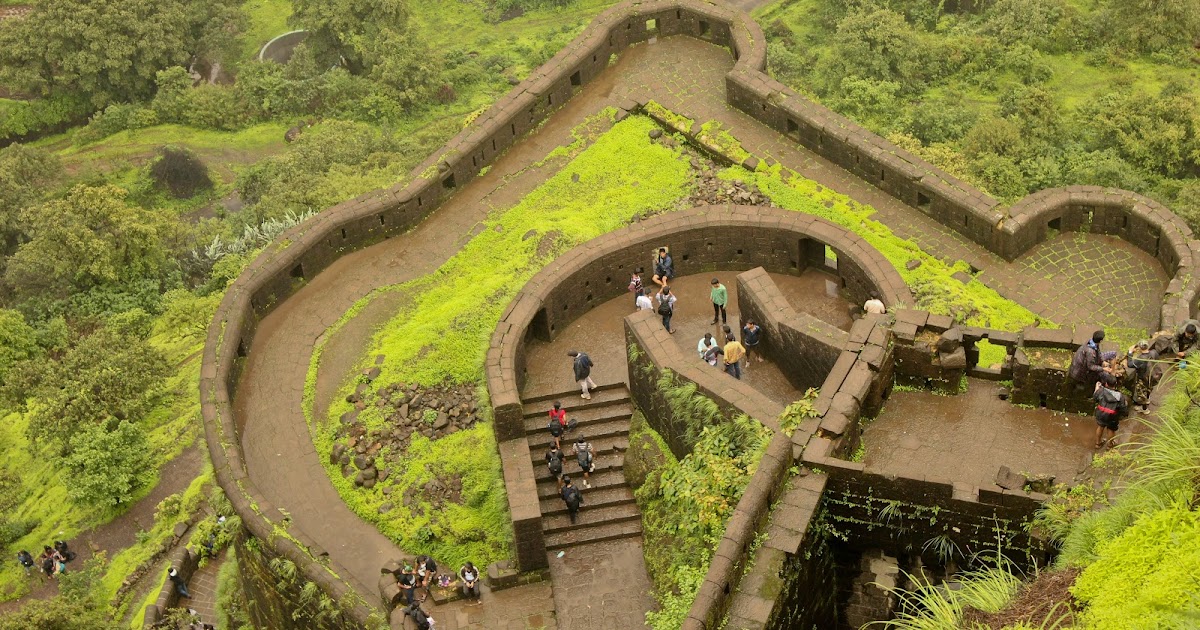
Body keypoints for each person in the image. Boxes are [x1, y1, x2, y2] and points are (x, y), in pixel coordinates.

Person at [1093, 375, 1128, 449]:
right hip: (1112, 416)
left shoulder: (1101, 391)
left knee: (1100, 426)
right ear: (1115, 384)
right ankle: (1109, 445)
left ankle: (1098, 443)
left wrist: (1097, 387)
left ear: (1106, 384)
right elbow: (1123, 408)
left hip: (1101, 413)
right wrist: (1124, 414)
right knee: (1111, 429)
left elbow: (1095, 397)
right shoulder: (1119, 396)